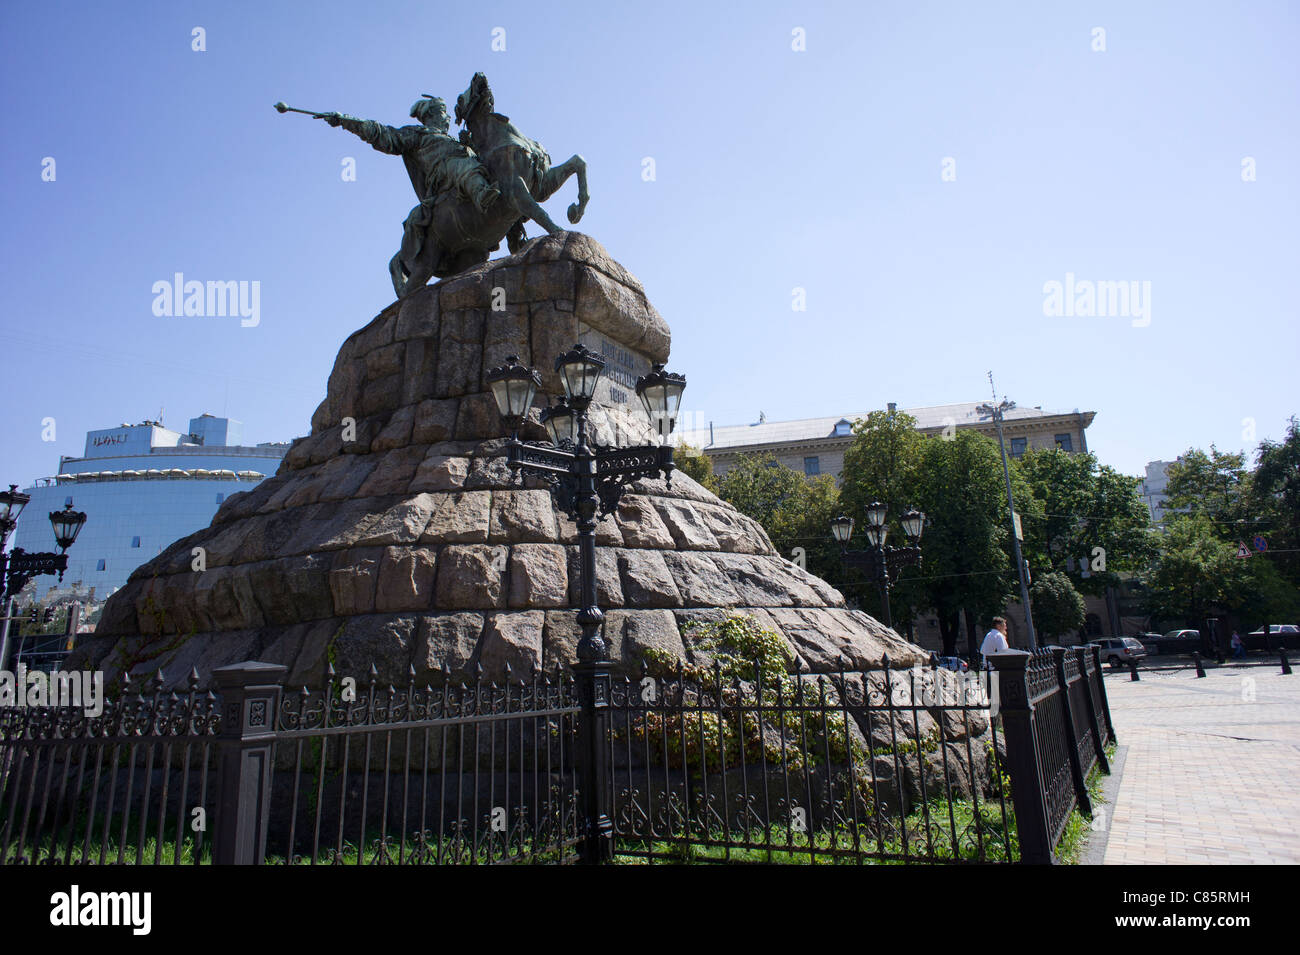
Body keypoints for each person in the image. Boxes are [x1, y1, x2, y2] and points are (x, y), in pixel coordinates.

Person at [316, 96, 500, 296]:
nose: (447, 118)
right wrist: (345, 121)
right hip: (444, 182)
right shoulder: (418, 135)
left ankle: (515, 231)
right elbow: (382, 134)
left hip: (466, 183)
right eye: (442, 113)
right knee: (464, 168)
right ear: (430, 115)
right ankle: (481, 194)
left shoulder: (455, 141)